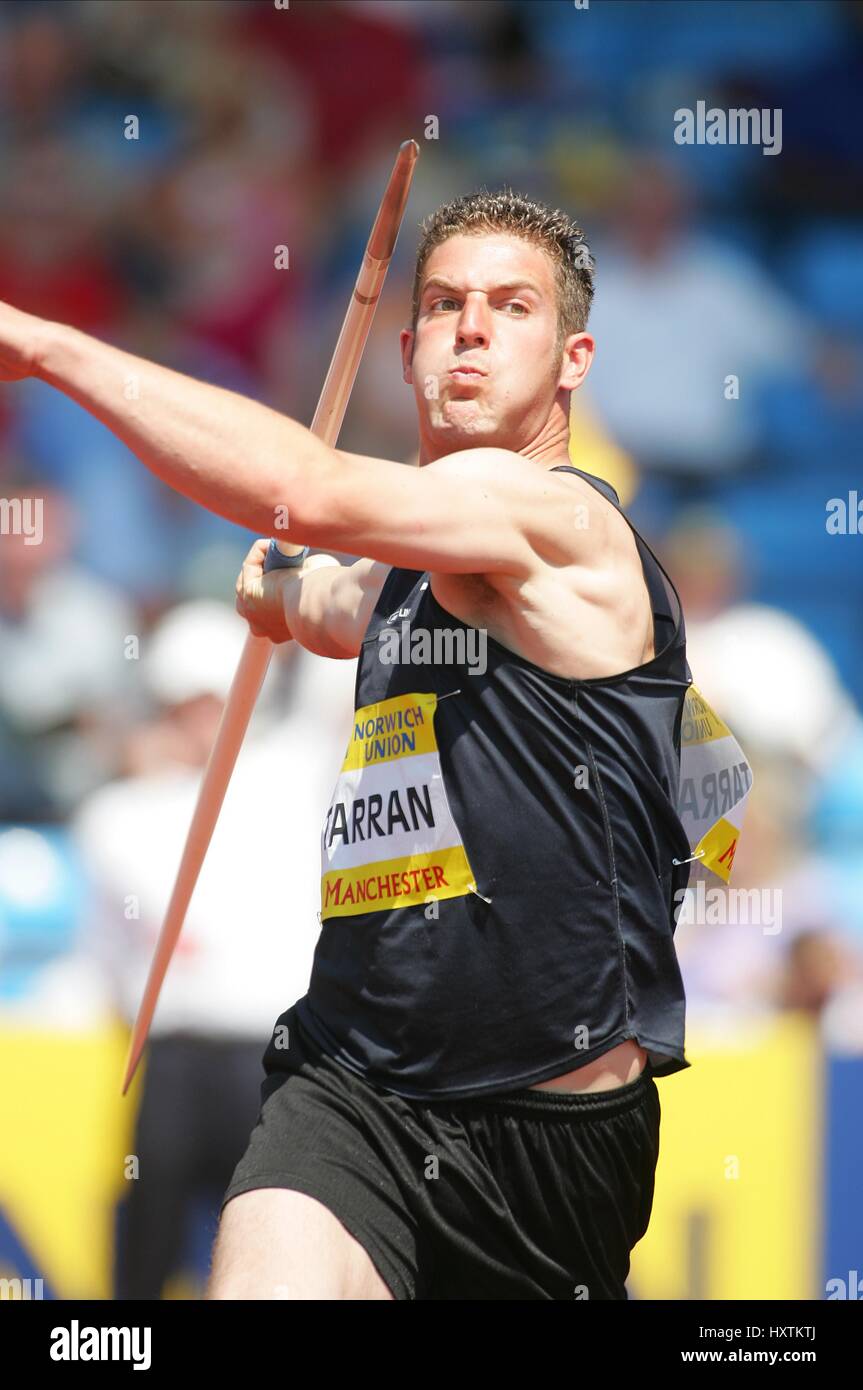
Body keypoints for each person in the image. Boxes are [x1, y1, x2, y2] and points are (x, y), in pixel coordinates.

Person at [0, 188, 694, 1300]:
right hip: (354, 1081)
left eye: (509, 307)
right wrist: (282, 589)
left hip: (543, 1128)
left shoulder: (558, 523)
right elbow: (340, 596)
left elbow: (301, 490)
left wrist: (44, 346)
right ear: (408, 345)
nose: (470, 326)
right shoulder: (411, 559)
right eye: (445, 304)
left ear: (572, 360)